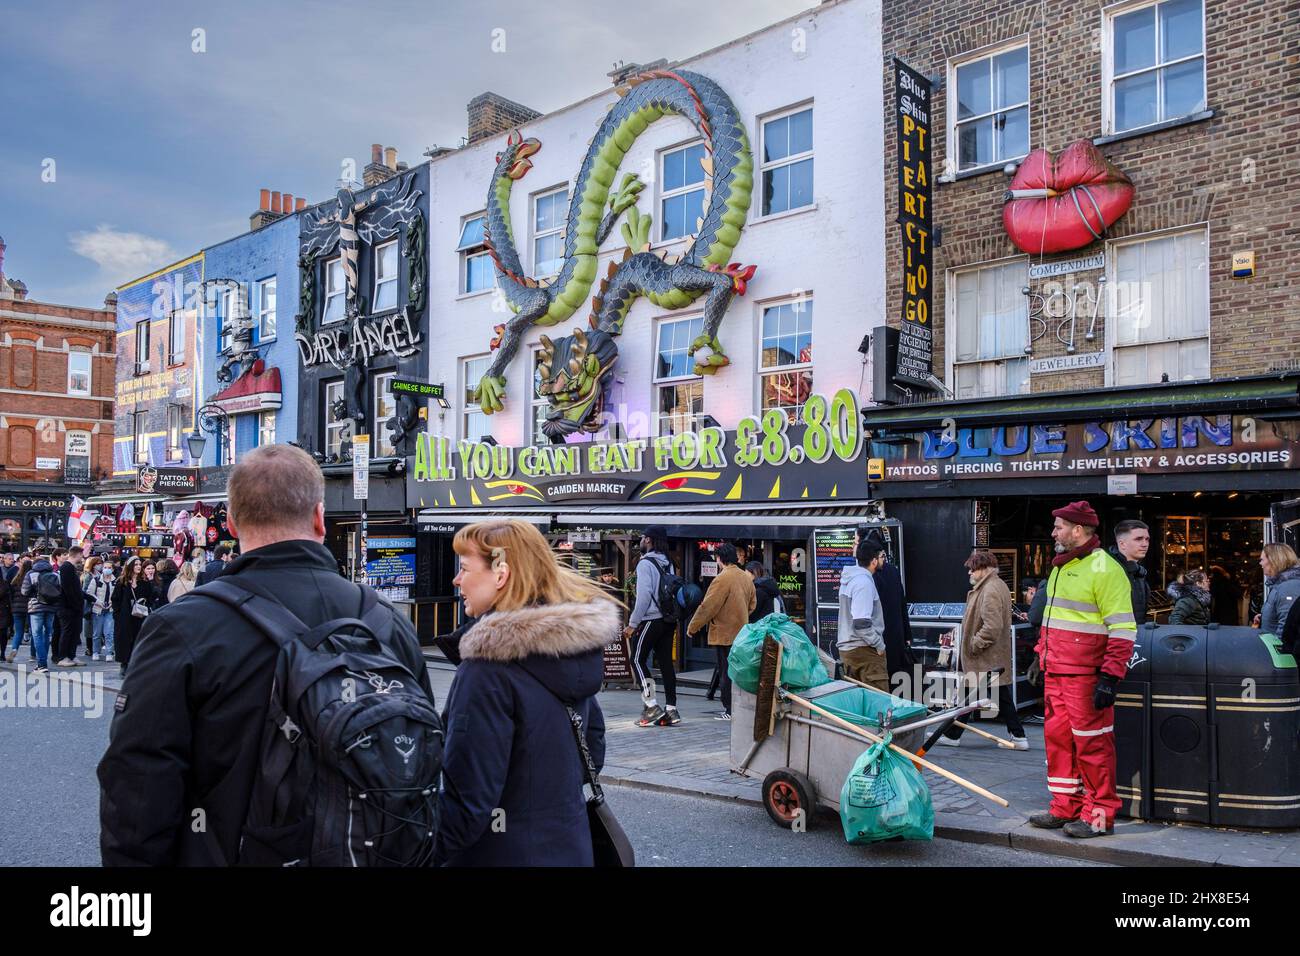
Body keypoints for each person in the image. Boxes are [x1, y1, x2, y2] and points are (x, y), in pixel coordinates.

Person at [98, 444, 432, 866]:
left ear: (233, 523)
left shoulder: (181, 627)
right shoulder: (387, 622)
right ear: (318, 517)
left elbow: (138, 786)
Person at [435, 518, 615, 866]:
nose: (457, 580)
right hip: (568, 848)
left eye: (464, 568)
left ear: (500, 575)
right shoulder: (568, 653)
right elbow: (592, 747)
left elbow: (467, 803)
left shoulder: (487, 671)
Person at [1028, 501, 1135, 839]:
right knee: (1058, 743)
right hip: (1058, 673)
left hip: (1086, 677)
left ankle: (1099, 817)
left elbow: (1122, 628)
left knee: (1093, 747)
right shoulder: (1063, 566)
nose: (1053, 532)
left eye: (1059, 526)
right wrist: (1038, 657)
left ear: (1078, 529)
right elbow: (1055, 622)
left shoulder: (1105, 569)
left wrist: (1110, 677)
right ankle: (1065, 808)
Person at [939, 550, 1027, 749]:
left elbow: (992, 626)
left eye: (973, 569)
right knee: (982, 696)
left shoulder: (990, 589)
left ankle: (955, 735)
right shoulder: (995, 585)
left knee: (970, 697)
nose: (969, 573)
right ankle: (1017, 735)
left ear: (984, 569)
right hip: (989, 657)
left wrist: (974, 644)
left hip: (984, 656)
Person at [687, 543, 755, 721]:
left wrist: (693, 627)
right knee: (737, 672)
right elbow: (752, 604)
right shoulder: (746, 577)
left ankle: (729, 709)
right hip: (742, 632)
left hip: (724, 634)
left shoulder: (722, 578)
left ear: (719, 558)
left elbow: (708, 606)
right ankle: (738, 709)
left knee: (725, 672)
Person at [625, 526, 681, 727]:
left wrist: (632, 623)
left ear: (648, 540)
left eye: (642, 538)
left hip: (651, 619)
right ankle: (671, 709)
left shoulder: (645, 563)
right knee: (666, 663)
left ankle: (651, 706)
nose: (640, 541)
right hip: (668, 620)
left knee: (637, 659)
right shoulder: (669, 563)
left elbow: (643, 597)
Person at [863, 532, 917, 695]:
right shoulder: (893, 571)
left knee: (879, 683)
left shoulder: (868, 576)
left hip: (878, 638)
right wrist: (907, 635)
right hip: (897, 635)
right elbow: (902, 604)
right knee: (896, 678)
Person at [835, 539, 888, 692]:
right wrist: (879, 645)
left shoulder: (849, 580)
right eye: (882, 556)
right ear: (873, 561)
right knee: (879, 704)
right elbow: (861, 623)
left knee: (858, 705)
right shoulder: (863, 583)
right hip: (864, 652)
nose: (883, 560)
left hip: (848, 651)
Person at [111, 557, 152, 678]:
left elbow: (149, 598)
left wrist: (144, 606)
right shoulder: (122, 582)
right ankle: (124, 664)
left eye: (140, 564)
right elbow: (115, 600)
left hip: (139, 616)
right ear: (130, 566)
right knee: (124, 640)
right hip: (124, 617)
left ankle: (136, 665)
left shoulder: (144, 583)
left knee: (138, 640)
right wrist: (117, 615)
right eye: (136, 564)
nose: (139, 566)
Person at [21, 551, 60, 673]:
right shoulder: (55, 574)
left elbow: (24, 591)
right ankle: (43, 663)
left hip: (36, 607)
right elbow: (60, 590)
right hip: (51, 607)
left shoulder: (31, 574)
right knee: (47, 634)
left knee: (37, 635)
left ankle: (42, 664)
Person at [1109, 519, 1151, 629]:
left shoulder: (1139, 573)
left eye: (1147, 539)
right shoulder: (1109, 571)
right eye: (1138, 539)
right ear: (1122, 544)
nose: (1145, 544)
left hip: (1133, 637)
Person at [1255, 543, 1300, 635]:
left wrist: (1277, 649)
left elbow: (1286, 630)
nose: (1260, 563)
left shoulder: (1289, 587)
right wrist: (1266, 617)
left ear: (1273, 560)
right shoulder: (1281, 584)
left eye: (1262, 559)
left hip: (1276, 648)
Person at [56, 546, 89, 667]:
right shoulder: (66, 567)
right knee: (68, 631)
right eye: (82, 554)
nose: (83, 557)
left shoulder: (70, 568)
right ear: (78, 554)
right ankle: (63, 656)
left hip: (74, 607)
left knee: (75, 632)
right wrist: (75, 605)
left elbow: (76, 589)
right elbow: (68, 589)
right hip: (68, 608)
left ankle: (71, 655)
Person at [86, 558, 115, 662]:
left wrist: (112, 602)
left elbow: (117, 595)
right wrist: (98, 602)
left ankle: (109, 652)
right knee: (97, 633)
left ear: (113, 569)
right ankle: (95, 652)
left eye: (109, 568)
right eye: (105, 567)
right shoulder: (96, 580)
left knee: (109, 632)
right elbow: (89, 593)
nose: (107, 569)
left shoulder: (115, 581)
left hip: (110, 609)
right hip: (98, 609)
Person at [6, 557, 32, 663]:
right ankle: (33, 654)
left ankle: (14, 649)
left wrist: (12, 605)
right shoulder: (31, 577)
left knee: (18, 631)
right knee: (33, 631)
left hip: (16, 608)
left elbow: (10, 593)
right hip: (29, 607)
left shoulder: (16, 578)